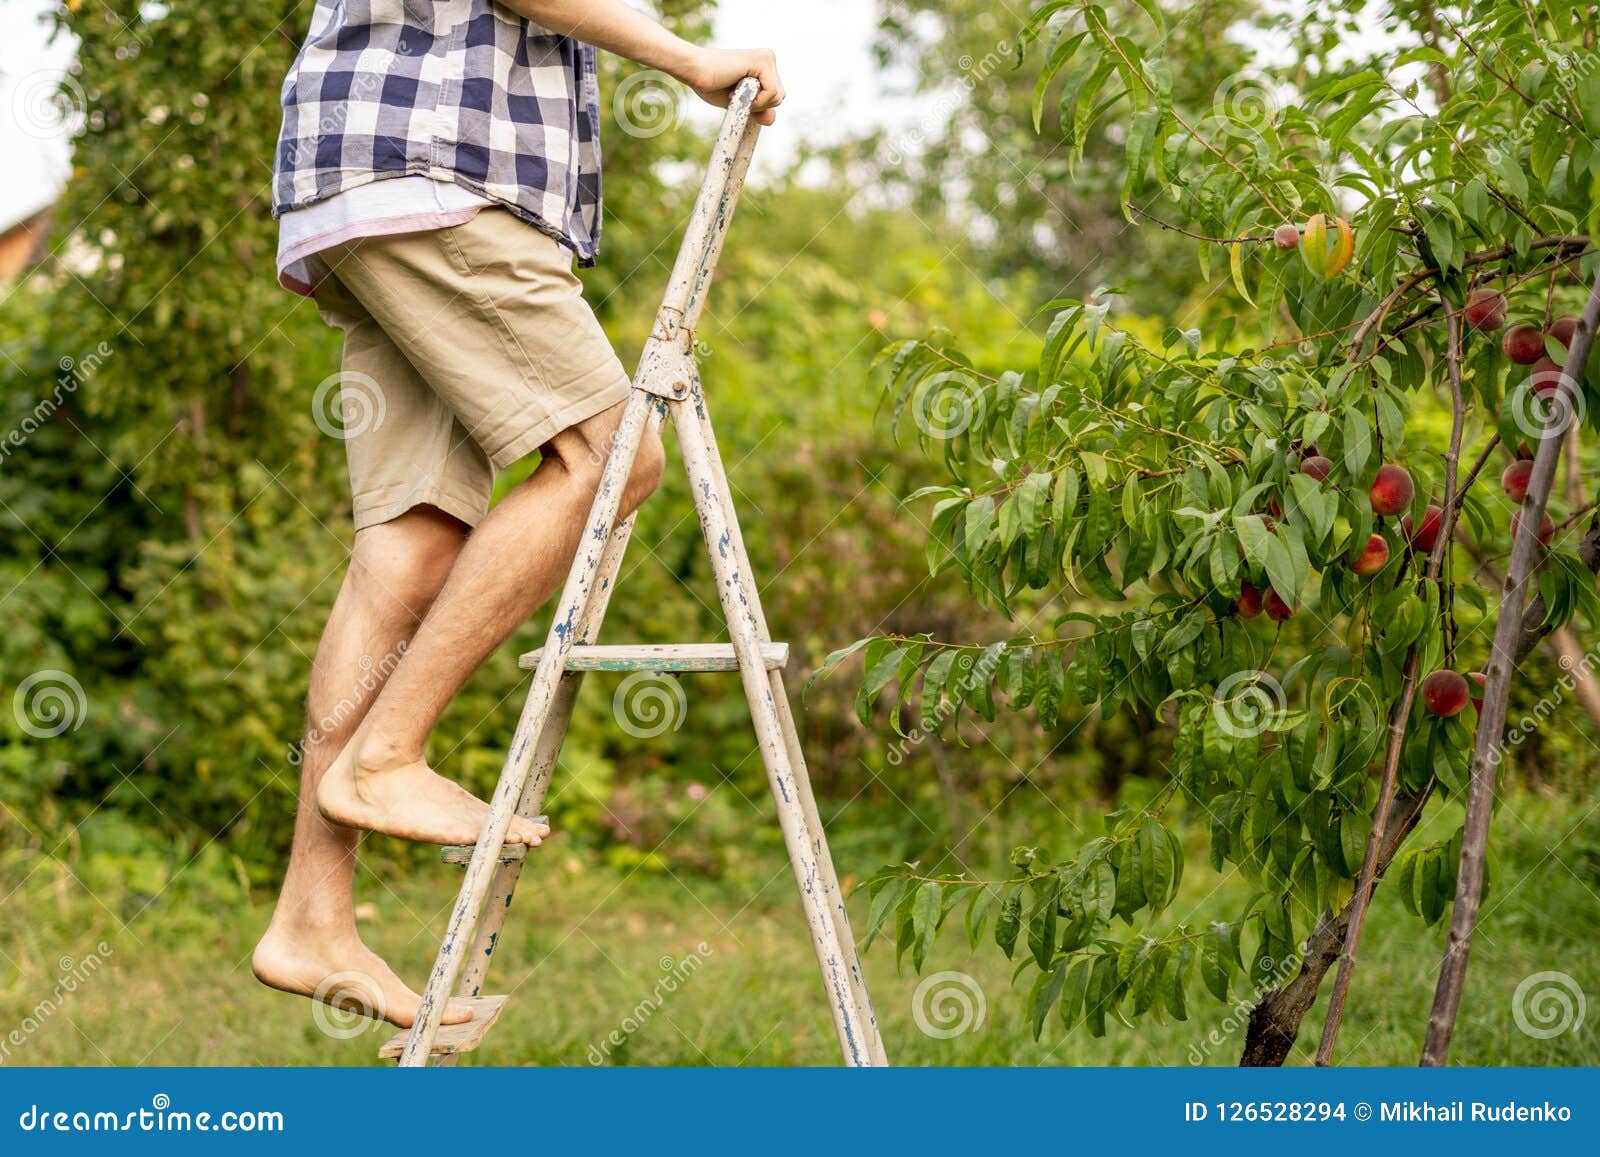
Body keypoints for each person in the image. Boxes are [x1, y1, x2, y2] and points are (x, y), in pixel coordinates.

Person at [251, 0, 782, 1030]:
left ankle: (311, 916)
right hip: (433, 172)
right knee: (609, 455)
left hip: (369, 181)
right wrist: (685, 58)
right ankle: (387, 753)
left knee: (406, 550)